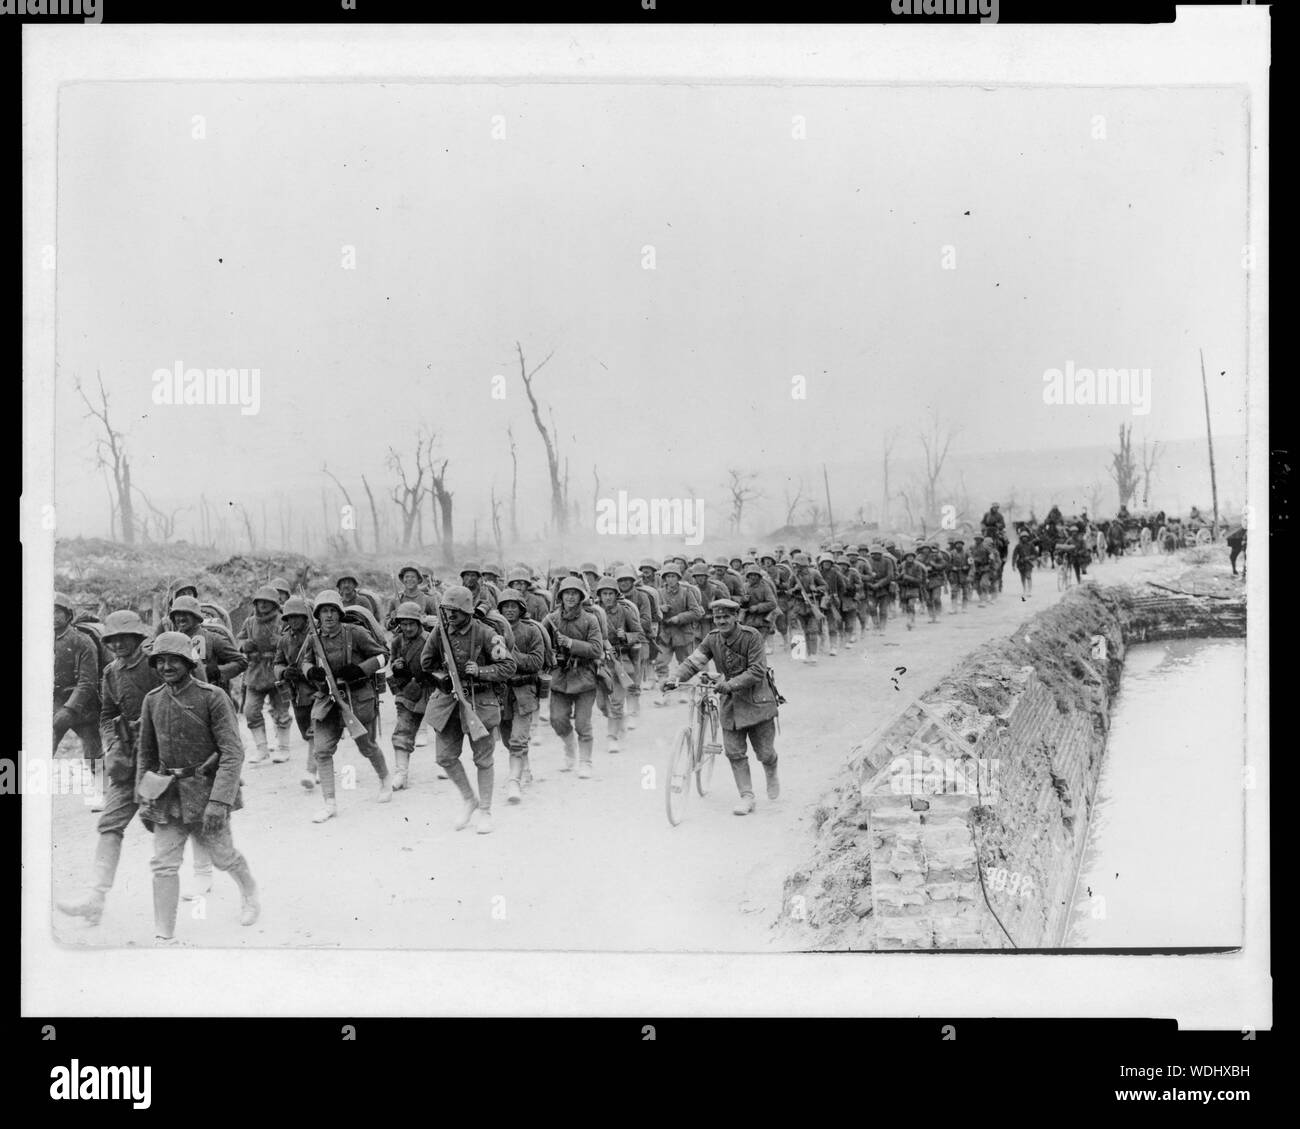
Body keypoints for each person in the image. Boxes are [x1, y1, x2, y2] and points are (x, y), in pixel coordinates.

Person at [57, 612, 208, 924]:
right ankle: (95, 897)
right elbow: (106, 714)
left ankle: (203, 874)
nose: (118, 645)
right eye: (112, 640)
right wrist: (113, 741)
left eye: (124, 638)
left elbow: (193, 695)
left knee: (188, 816)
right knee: (109, 824)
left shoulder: (158, 664)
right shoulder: (111, 672)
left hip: (168, 757)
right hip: (129, 759)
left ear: (138, 638)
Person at [135, 631, 259, 945]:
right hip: (168, 795)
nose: (166, 667)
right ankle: (164, 935)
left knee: (223, 857)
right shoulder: (152, 700)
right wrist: (143, 795)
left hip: (206, 792)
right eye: (160, 661)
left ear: (189, 663)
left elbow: (232, 752)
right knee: (164, 865)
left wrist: (219, 802)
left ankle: (249, 894)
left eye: (173, 660)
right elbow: (146, 754)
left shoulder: (212, 697)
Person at [663, 599, 781, 816]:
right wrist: (675, 678)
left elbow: (757, 670)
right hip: (731, 704)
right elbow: (694, 662)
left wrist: (730, 684)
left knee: (765, 752)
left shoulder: (751, 636)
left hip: (758, 701)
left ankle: (771, 770)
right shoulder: (712, 638)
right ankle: (747, 796)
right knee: (734, 752)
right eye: (717, 617)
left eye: (726, 616)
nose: (722, 621)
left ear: (736, 617)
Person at [420, 585, 516, 831]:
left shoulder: (486, 633)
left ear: (467, 611)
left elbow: (508, 666)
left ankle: (485, 810)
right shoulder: (440, 632)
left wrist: (481, 671)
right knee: (444, 757)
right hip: (449, 702)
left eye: (456, 610)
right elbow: (426, 662)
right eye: (447, 610)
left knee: (483, 760)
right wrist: (443, 677)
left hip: (480, 702)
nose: (450, 615)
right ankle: (468, 799)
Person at [300, 589, 393, 823]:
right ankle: (329, 803)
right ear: (318, 615)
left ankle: (385, 780)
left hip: (356, 698)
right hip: (327, 700)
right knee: (322, 751)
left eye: (332, 611)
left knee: (367, 746)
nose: (329, 616)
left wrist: (360, 669)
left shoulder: (356, 633)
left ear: (339, 613)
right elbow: (304, 661)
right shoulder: (313, 638)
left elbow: (384, 655)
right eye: (324, 611)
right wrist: (310, 671)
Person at [540, 577, 603, 776]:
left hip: (584, 676)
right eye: (567, 593)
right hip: (560, 677)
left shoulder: (590, 619)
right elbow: (540, 643)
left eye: (574, 593)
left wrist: (571, 644)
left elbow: (597, 649)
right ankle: (569, 747)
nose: (570, 597)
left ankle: (585, 762)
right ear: (561, 596)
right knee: (557, 719)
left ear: (581, 597)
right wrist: (550, 654)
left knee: (583, 723)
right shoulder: (551, 619)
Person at [495, 587, 547, 803]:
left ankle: (514, 781)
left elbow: (537, 662)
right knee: (508, 739)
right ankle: (524, 768)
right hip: (501, 694)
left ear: (521, 609)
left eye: (513, 606)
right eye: (505, 606)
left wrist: (512, 655)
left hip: (524, 692)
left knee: (518, 739)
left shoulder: (531, 631)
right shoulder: (492, 631)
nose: (509, 610)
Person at [236, 585, 293, 764]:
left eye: (267, 602)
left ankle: (283, 748)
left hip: (278, 671)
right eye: (260, 601)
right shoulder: (250, 622)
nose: (263, 605)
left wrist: (282, 641)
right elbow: (240, 640)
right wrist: (244, 646)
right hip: (255, 671)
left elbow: (295, 642)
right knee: (250, 711)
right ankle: (262, 749)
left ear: (275, 603)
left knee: (281, 711)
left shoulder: (283, 621)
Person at [273, 596, 319, 790]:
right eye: (289, 617)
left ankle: (311, 770)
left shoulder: (316, 635)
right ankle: (320, 763)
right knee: (306, 732)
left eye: (297, 616)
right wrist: (284, 672)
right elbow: (277, 663)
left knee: (316, 731)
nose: (293, 620)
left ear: (305, 617)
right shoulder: (284, 639)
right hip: (298, 692)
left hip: (318, 689)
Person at [386, 602, 431, 792]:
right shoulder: (397, 641)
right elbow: (392, 662)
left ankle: (446, 765)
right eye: (404, 624)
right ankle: (401, 774)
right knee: (402, 730)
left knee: (446, 730)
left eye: (412, 623)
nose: (408, 628)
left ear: (419, 623)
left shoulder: (430, 639)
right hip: (407, 691)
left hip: (431, 689)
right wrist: (397, 667)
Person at [53, 593, 103, 762]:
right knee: (40, 753)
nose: (52, 616)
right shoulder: (41, 640)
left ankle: (102, 780)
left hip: (83, 707)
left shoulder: (82, 641)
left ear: (68, 615)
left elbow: (87, 682)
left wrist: (69, 709)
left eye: (57, 611)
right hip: (55, 705)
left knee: (94, 758)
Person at [167, 595, 247, 698]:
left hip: (211, 696)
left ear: (196, 616)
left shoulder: (213, 639)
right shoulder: (171, 642)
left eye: (185, 614)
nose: (181, 618)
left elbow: (242, 662)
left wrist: (217, 671)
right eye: (177, 614)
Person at [655, 562, 703, 695]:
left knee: (685, 664)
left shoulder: (686, 592)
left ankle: (685, 691)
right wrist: (660, 609)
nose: (670, 579)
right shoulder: (659, 593)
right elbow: (653, 613)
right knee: (661, 663)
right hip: (665, 634)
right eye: (668, 577)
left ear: (678, 578)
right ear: (664, 578)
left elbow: (696, 613)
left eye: (673, 576)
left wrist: (679, 618)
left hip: (683, 634)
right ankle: (664, 692)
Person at [1012, 531, 1037, 596]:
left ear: (1028, 538)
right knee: (1022, 577)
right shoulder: (1018, 546)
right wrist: (1013, 565)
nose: (1024, 538)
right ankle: (1024, 589)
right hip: (1021, 563)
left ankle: (1029, 591)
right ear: (1021, 538)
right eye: (1023, 537)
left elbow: (1035, 554)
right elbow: (1014, 555)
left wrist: (1029, 557)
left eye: (1026, 537)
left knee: (1028, 576)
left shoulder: (1031, 545)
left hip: (1028, 563)